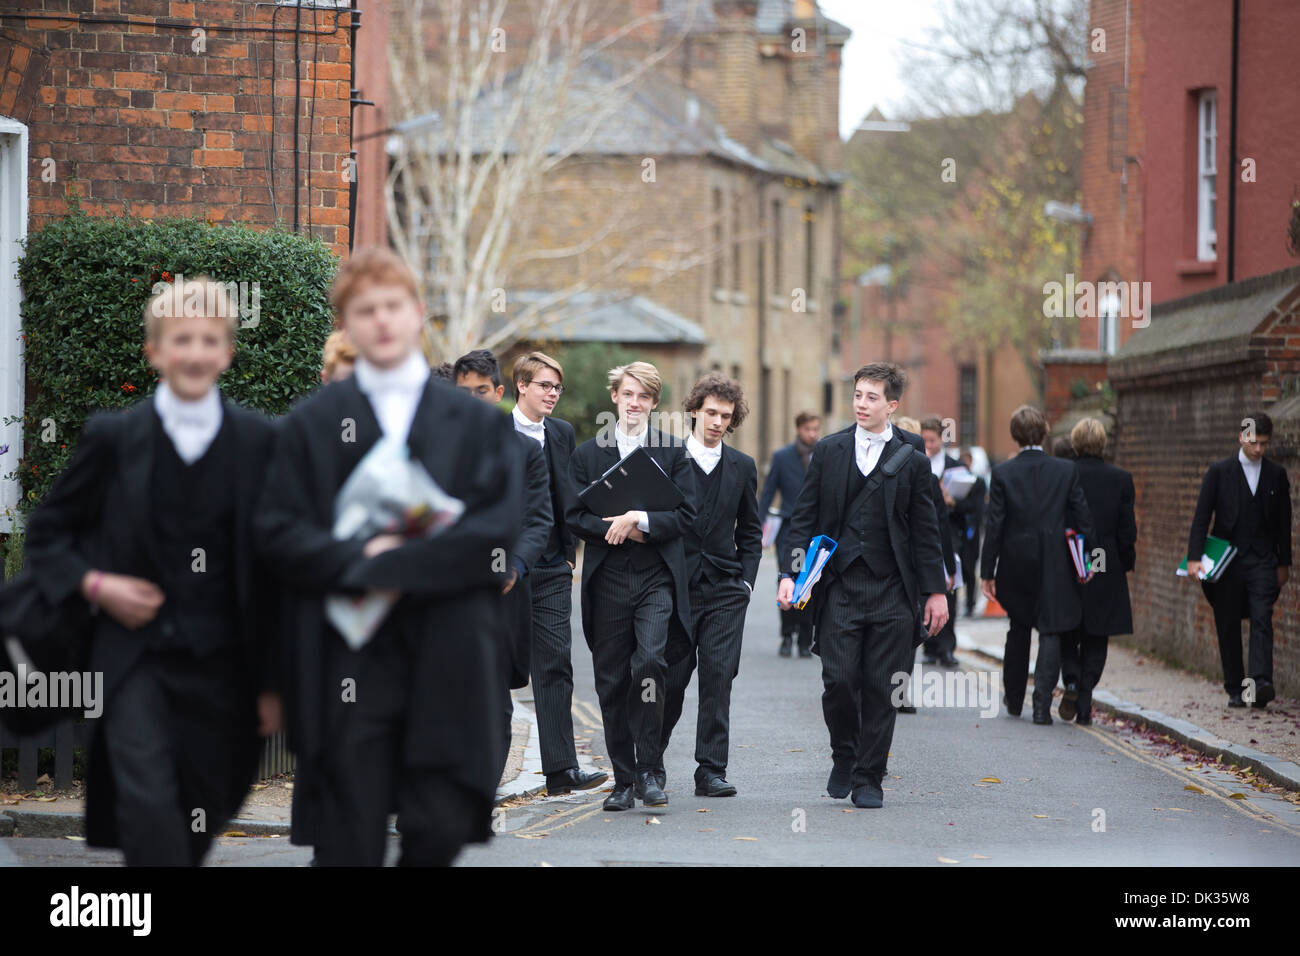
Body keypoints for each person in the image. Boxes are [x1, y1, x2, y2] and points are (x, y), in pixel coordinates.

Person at [255, 247, 521, 866]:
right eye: (363, 310)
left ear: (418, 313)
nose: (380, 320)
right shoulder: (311, 425)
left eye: (392, 306)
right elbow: (276, 532)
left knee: (438, 830)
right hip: (345, 659)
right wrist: (355, 554)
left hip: (449, 653)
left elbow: (496, 531)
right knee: (346, 842)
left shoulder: (473, 421)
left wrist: (380, 566)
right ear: (344, 322)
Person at [23, 275, 282, 866]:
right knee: (147, 806)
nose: (194, 352)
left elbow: (275, 569)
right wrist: (97, 584)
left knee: (199, 813)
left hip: (225, 668)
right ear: (155, 352)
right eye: (180, 339)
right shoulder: (114, 438)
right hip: (133, 661)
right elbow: (48, 533)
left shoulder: (258, 442)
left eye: (208, 339)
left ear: (227, 351)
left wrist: (274, 682)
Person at [778, 363, 948, 809]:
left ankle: (870, 776)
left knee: (882, 686)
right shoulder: (830, 450)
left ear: (892, 405)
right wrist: (790, 574)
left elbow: (925, 528)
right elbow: (803, 517)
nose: (861, 403)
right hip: (840, 588)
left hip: (893, 589)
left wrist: (936, 591)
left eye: (872, 397)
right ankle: (844, 755)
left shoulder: (911, 456)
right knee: (838, 681)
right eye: (857, 395)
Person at [567, 361, 694, 811]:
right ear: (615, 398)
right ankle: (623, 779)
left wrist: (638, 522)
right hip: (608, 579)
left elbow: (686, 516)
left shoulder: (673, 451)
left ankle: (650, 769)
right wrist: (611, 529)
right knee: (611, 681)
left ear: (654, 403)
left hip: (657, 575)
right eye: (627, 394)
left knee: (651, 663)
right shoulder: (587, 454)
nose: (634, 403)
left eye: (643, 396)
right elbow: (574, 516)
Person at [509, 351, 610, 796]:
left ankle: (561, 770)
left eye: (557, 387)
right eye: (544, 385)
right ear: (521, 386)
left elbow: (570, 497)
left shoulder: (562, 433)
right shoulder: (496, 433)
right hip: (504, 572)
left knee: (555, 666)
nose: (552, 393)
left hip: (552, 568)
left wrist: (570, 554)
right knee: (497, 671)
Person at [660, 374, 762, 797]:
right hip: (676, 589)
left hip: (725, 589)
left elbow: (752, 533)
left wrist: (746, 584)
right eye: (711, 413)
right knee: (669, 680)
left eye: (726, 415)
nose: (718, 421)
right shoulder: (667, 460)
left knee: (718, 678)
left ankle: (711, 770)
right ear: (695, 411)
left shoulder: (742, 467)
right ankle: (650, 764)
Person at [454, 349, 553, 777]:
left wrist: (514, 568)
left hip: (503, 590)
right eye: (464, 392)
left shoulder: (526, 451)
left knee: (495, 696)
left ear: (498, 393)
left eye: (482, 391)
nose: (474, 400)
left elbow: (538, 519)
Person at [980, 405, 1093, 725]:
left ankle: (1014, 700)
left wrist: (987, 572)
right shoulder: (1065, 470)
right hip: (1057, 562)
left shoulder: (1002, 472)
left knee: (1018, 628)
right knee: (1051, 631)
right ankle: (1041, 707)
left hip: (1016, 563)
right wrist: (1089, 561)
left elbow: (995, 526)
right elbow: (1084, 521)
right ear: (1045, 432)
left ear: (1015, 436)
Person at [1187, 411, 1292, 708]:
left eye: (1264, 443)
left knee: (1262, 618)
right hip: (1227, 562)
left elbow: (1284, 523)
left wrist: (1283, 563)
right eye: (1254, 442)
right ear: (1241, 437)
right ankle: (1236, 687)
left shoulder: (1276, 475)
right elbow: (1201, 517)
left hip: (1262, 561)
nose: (1258, 449)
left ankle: (1260, 683)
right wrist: (1194, 558)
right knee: (1228, 622)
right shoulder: (1219, 472)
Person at [1059, 418, 1135, 724]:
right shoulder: (1121, 478)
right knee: (1097, 630)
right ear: (1103, 443)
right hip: (1105, 556)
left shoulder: (1064, 473)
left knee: (1068, 625)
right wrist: (1126, 561)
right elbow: (1127, 529)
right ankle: (1085, 698)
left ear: (1075, 443)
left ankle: (1073, 682)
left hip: (1071, 553)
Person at [758, 411, 820, 657]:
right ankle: (786, 635)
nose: (813, 434)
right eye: (808, 429)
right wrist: (757, 526)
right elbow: (768, 492)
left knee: (810, 582)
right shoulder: (782, 457)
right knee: (787, 580)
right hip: (789, 530)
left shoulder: (823, 455)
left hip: (815, 531)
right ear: (798, 429)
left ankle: (805, 638)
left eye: (816, 428)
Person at [920, 417, 962, 667]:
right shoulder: (914, 462)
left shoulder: (954, 466)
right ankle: (929, 645)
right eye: (924, 440)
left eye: (932, 440)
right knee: (927, 591)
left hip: (949, 536)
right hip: (925, 537)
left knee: (948, 592)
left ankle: (947, 647)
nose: (928, 445)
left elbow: (973, 502)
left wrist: (952, 502)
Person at [957, 449, 987, 617]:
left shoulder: (978, 482)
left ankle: (970, 603)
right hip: (960, 530)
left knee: (969, 569)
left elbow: (977, 507)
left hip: (971, 531)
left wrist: (956, 503)